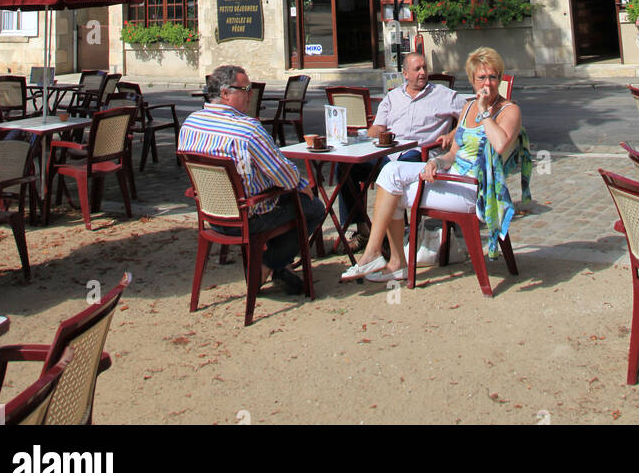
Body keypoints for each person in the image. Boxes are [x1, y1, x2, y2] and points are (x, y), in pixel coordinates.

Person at [341, 47, 530, 283]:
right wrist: (436, 161)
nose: (487, 83)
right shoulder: (468, 108)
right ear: (472, 80)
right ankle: (380, 254)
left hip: (476, 189)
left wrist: (484, 112)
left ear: (499, 79)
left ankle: (385, 258)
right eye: (481, 77)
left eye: (492, 77)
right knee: (389, 174)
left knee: (391, 190)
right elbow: (452, 154)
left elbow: (501, 144)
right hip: (451, 177)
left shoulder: (509, 110)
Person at [178, 64, 325, 295]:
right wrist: (302, 184)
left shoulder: (190, 125)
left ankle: (281, 266)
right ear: (225, 94)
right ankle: (267, 266)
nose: (250, 94)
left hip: (212, 215)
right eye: (245, 89)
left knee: (292, 200)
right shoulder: (247, 130)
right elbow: (284, 176)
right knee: (312, 207)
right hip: (249, 215)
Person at [339, 50, 465, 241]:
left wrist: (452, 134)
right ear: (405, 74)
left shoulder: (443, 95)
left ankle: (388, 237)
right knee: (346, 167)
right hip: (389, 156)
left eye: (424, 68)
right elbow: (378, 127)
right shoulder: (392, 97)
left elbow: (469, 114)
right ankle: (359, 227)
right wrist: (359, 138)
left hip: (420, 156)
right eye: (417, 69)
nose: (422, 72)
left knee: (400, 164)